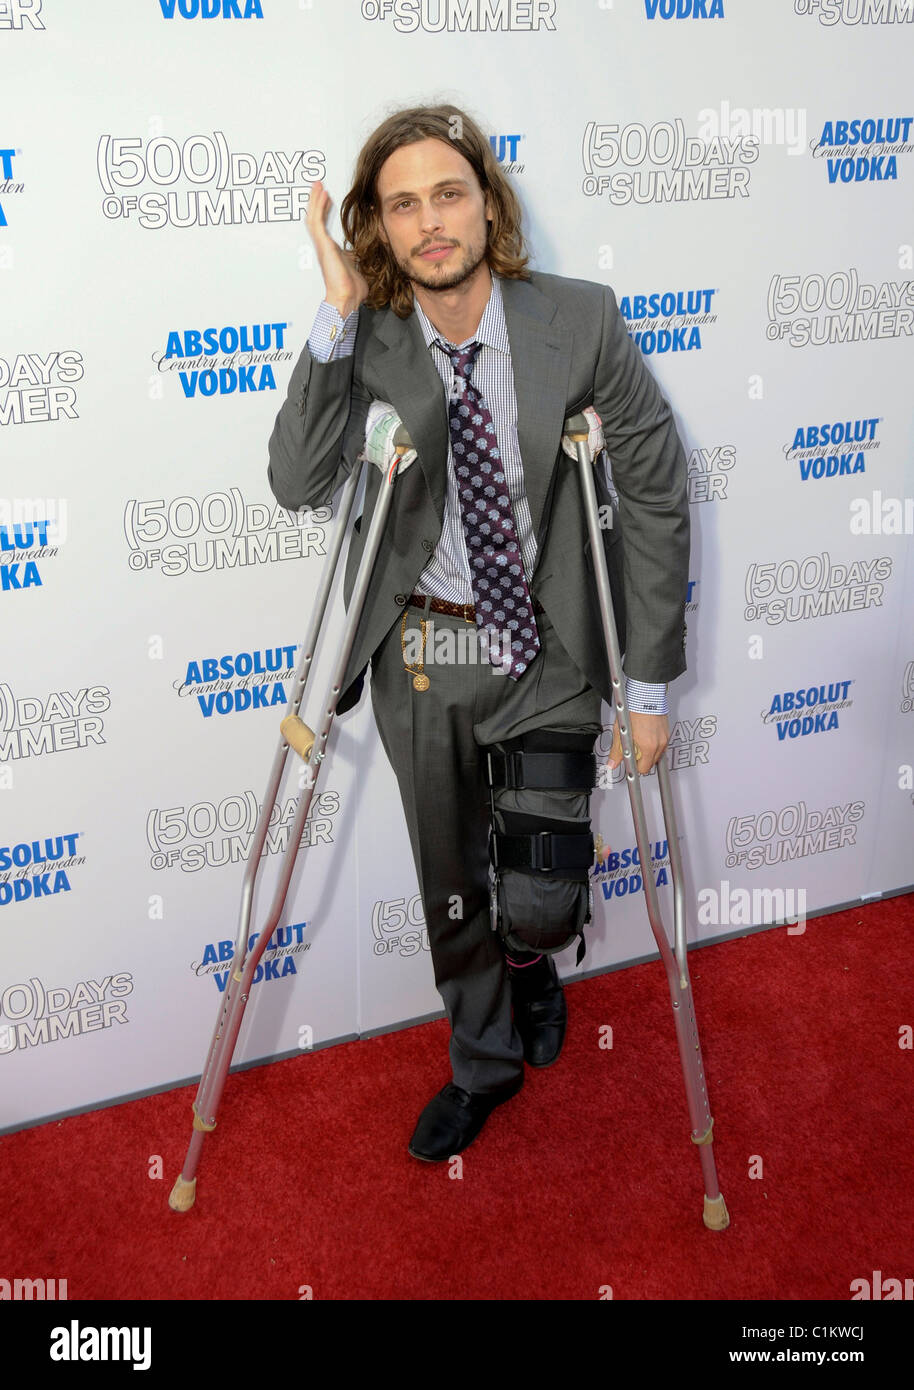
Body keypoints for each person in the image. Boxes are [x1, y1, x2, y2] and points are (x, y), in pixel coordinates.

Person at [268, 104, 690, 1163]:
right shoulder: (363, 338)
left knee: (540, 897)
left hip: (545, 645)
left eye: (446, 193)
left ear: (485, 204)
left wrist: (645, 691)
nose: (428, 221)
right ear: (379, 225)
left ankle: (534, 957)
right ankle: (481, 1062)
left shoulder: (578, 320)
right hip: (426, 651)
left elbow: (649, 489)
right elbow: (297, 481)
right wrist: (333, 314)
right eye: (401, 204)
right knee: (453, 882)